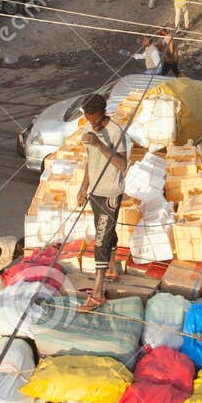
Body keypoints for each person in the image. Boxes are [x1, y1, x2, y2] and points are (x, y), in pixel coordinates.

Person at [77, 94, 128, 311]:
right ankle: (113, 266)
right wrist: (83, 186)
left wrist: (99, 144)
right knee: (107, 230)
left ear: (103, 112)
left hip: (110, 193)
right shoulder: (88, 130)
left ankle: (98, 291)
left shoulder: (116, 133)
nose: (92, 124)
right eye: (89, 119)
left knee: (100, 238)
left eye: (95, 119)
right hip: (95, 192)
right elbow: (90, 162)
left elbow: (122, 164)